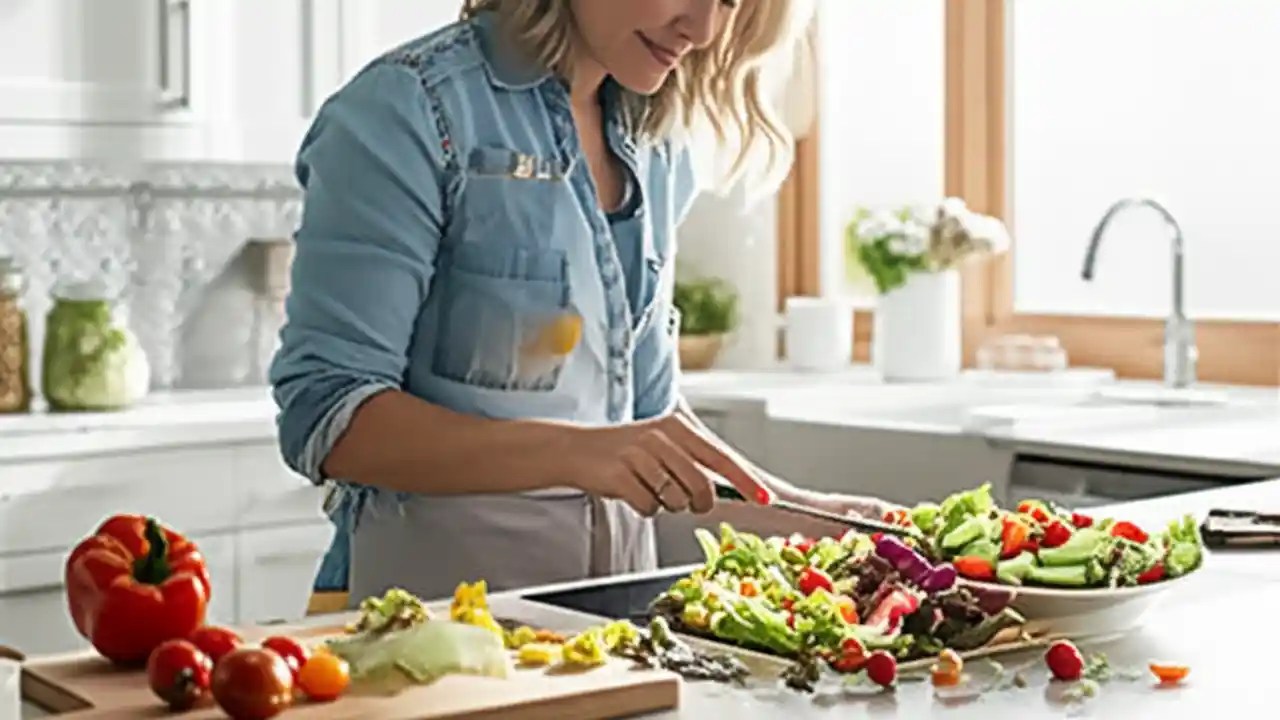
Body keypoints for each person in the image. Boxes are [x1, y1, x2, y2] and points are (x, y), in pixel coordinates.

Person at [269, 0, 894, 605]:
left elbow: (648, 427)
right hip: (433, 643)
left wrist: (808, 516)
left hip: (611, 646)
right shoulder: (407, 111)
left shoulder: (659, 146)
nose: (703, 29)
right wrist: (579, 453)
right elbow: (328, 416)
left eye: (729, 1)